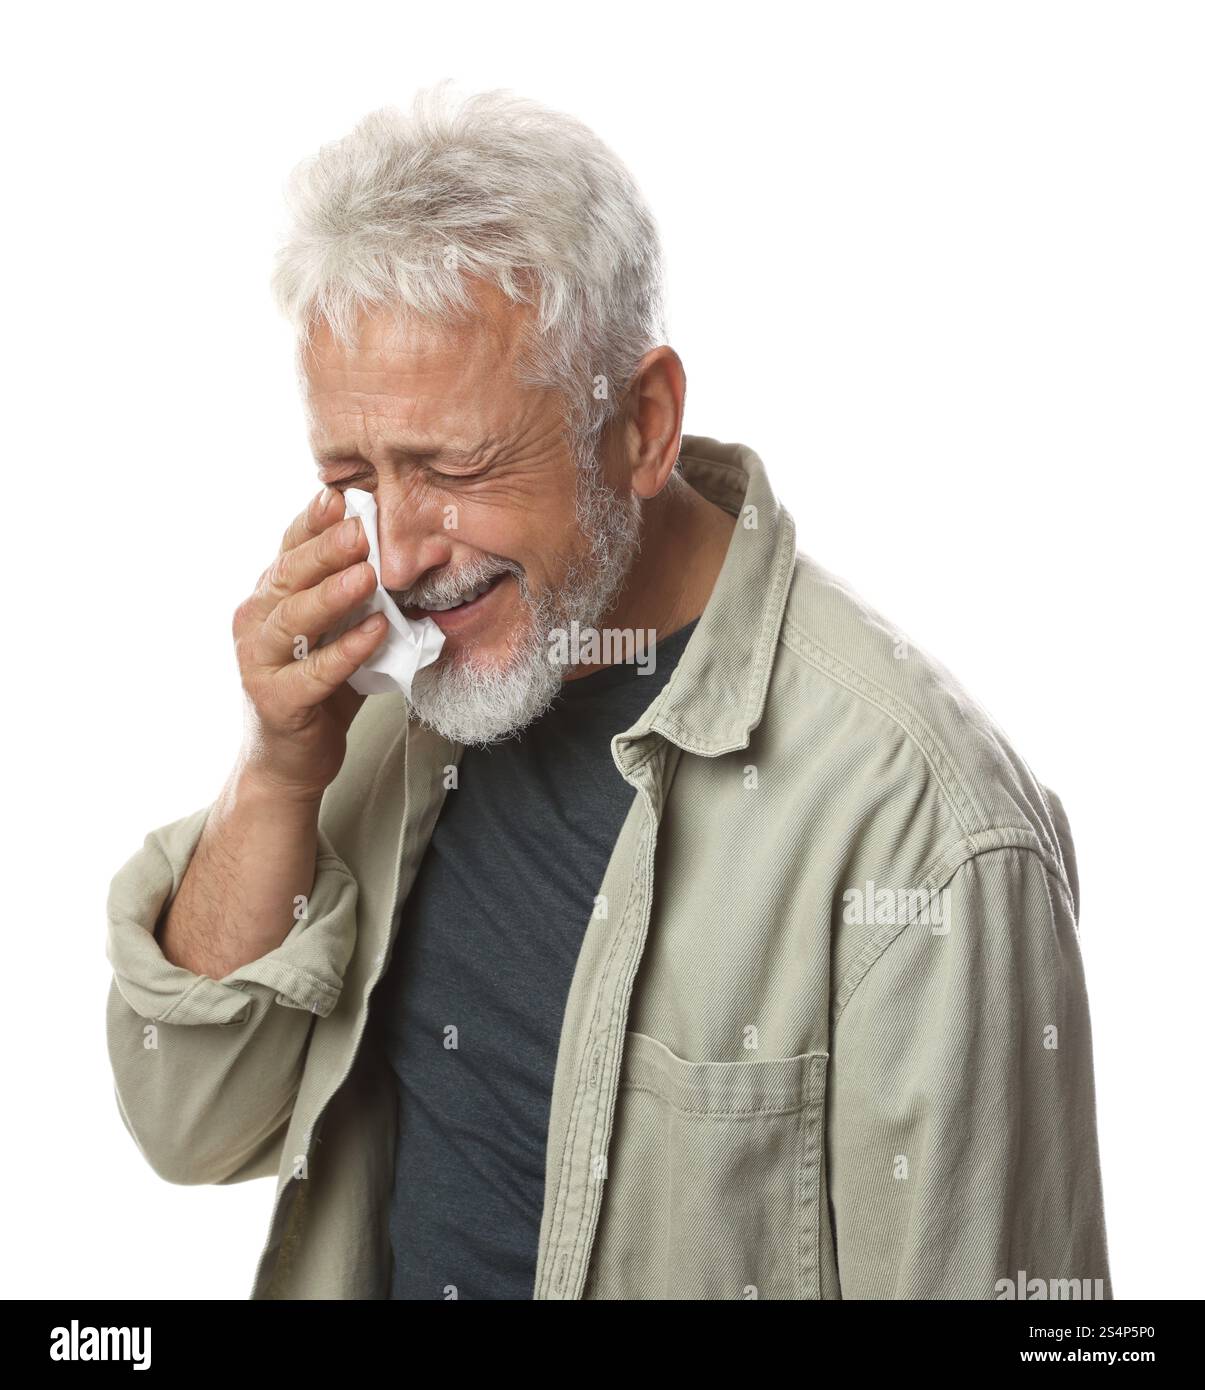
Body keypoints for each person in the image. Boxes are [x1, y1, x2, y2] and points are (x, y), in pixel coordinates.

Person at [105, 83, 1112, 1300]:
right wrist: (278, 767)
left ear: (640, 425)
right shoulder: (386, 695)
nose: (404, 549)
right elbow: (189, 1122)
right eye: (354, 472)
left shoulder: (928, 828)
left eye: (454, 465)